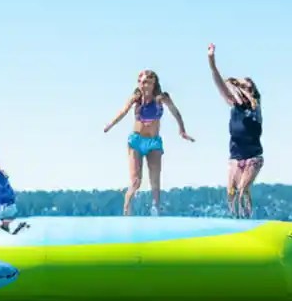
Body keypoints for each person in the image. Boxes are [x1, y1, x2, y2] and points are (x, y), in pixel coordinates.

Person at [103, 69, 194, 216]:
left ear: (153, 84)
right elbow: (123, 111)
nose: (143, 85)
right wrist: (110, 124)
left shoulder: (161, 98)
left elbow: (176, 112)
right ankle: (127, 210)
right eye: (141, 82)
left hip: (154, 142)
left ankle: (156, 210)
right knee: (136, 182)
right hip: (136, 141)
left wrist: (182, 130)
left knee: (155, 182)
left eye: (147, 82)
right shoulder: (136, 98)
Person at [207, 43, 264, 218]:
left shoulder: (255, 106)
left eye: (248, 88)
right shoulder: (234, 104)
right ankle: (235, 220)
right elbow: (219, 84)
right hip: (235, 156)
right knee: (231, 192)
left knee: (242, 190)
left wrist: (240, 87)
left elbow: (250, 97)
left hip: (253, 157)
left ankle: (247, 219)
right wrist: (212, 61)